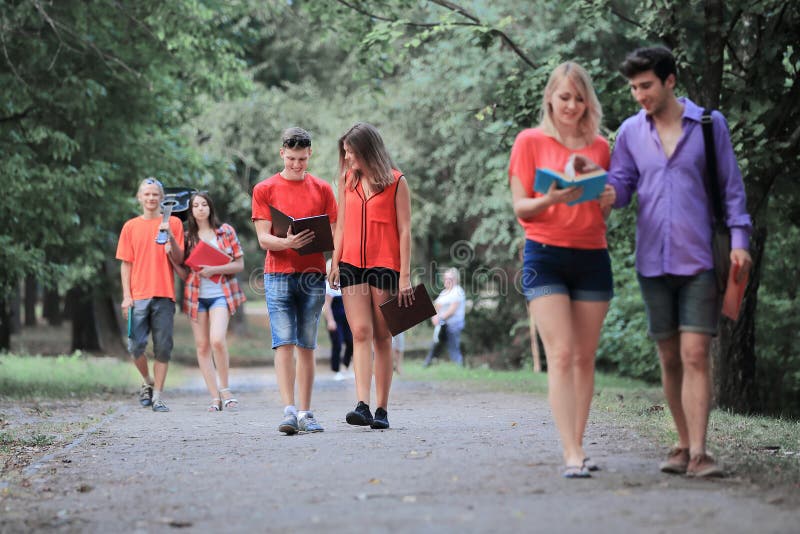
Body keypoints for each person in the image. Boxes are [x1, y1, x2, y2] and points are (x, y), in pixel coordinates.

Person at [608, 46, 752, 478]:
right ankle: (682, 443)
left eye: (646, 86)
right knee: (669, 357)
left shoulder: (709, 125)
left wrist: (740, 240)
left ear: (670, 81)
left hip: (699, 259)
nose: (639, 95)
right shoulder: (630, 132)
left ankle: (701, 453)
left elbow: (731, 188)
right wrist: (603, 192)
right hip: (651, 262)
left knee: (695, 353)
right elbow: (622, 188)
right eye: (634, 88)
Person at [508, 62, 616, 478]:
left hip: (592, 256)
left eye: (579, 98)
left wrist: (606, 199)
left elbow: (602, 211)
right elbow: (521, 207)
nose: (571, 105)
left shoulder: (600, 146)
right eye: (564, 97)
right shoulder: (530, 141)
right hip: (544, 255)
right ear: (550, 98)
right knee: (562, 353)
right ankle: (571, 452)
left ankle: (579, 445)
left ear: (588, 102)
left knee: (585, 357)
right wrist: (552, 199)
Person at [252, 127, 337, 435]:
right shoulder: (264, 189)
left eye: (302, 159)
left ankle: (306, 412)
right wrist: (287, 243)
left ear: (310, 153)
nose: (297, 165)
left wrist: (336, 263)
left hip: (313, 275)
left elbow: (335, 233)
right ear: (282, 154)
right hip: (278, 274)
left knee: (307, 345)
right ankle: (288, 410)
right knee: (284, 342)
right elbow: (263, 238)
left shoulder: (323, 189)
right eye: (291, 159)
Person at [328, 122, 414, 430]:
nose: (347, 158)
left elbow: (405, 230)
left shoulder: (397, 181)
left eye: (351, 152)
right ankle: (362, 405)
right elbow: (341, 224)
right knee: (360, 332)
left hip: (386, 264)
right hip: (351, 263)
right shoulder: (347, 180)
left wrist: (405, 276)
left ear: (368, 150)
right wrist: (335, 261)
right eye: (346, 152)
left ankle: (382, 409)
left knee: (382, 336)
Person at [169, 192, 246, 412]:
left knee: (217, 340)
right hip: (196, 297)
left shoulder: (225, 231)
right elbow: (186, 273)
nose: (200, 208)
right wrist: (172, 260)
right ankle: (214, 397)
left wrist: (214, 269)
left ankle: (225, 389)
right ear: (191, 211)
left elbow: (239, 265)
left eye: (204, 204)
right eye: (196, 205)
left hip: (221, 293)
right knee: (202, 346)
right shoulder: (187, 237)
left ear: (210, 208)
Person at [116, 177, 184, 413]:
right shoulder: (130, 227)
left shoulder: (173, 223)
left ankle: (158, 397)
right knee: (135, 346)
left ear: (162, 198)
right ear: (139, 197)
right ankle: (147, 381)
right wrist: (127, 296)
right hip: (138, 296)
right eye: (147, 194)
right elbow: (126, 264)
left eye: (155, 194)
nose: (151, 198)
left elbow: (180, 259)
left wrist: (170, 237)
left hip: (164, 294)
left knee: (163, 348)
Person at [422, 267, 466, 367]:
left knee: (453, 347)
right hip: (443, 325)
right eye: (445, 278)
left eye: (449, 278)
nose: (446, 280)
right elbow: (436, 306)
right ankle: (427, 363)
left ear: (455, 279)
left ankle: (458, 367)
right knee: (436, 344)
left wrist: (439, 318)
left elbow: (452, 310)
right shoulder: (444, 292)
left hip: (453, 325)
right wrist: (434, 317)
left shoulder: (457, 291)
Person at [322, 259, 353, 381]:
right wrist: (330, 321)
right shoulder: (328, 286)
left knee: (351, 342)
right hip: (335, 319)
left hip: (346, 318)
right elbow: (327, 306)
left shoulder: (344, 284)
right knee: (338, 343)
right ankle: (336, 370)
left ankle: (346, 366)